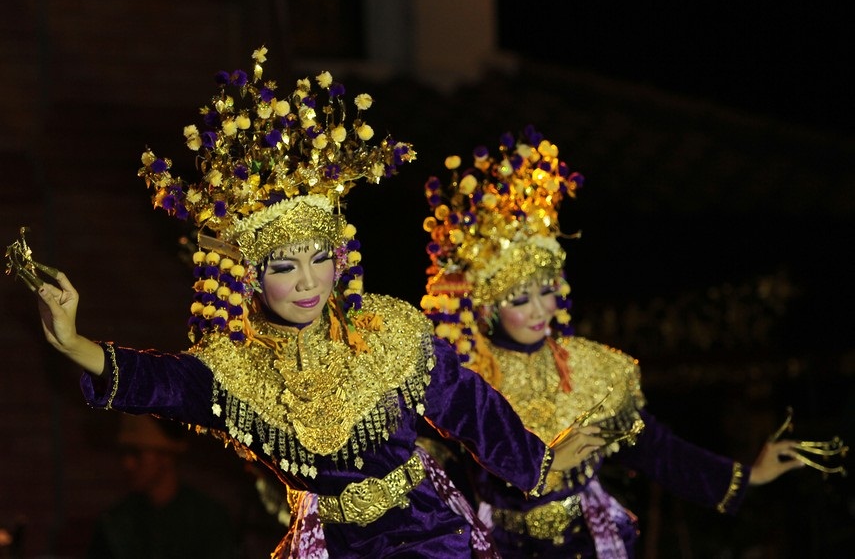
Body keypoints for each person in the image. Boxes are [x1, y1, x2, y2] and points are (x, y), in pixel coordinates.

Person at [8, 49, 590, 558]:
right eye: (285, 267)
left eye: (320, 259)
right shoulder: (237, 371)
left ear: (340, 260)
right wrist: (71, 341)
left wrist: (541, 462)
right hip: (331, 546)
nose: (309, 283)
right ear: (253, 279)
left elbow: (468, 406)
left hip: (427, 535)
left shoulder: (387, 332)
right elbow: (158, 382)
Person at [420, 126, 847, 558]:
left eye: (548, 290)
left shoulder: (595, 370)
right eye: (519, 298)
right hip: (496, 545)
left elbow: (655, 449)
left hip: (585, 544)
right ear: (488, 306)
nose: (539, 310)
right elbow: (436, 473)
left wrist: (746, 475)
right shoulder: (467, 378)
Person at [88, 414, 237, 558]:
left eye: (137, 454)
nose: (128, 464)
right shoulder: (115, 525)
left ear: (166, 457)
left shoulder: (207, 522)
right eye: (125, 453)